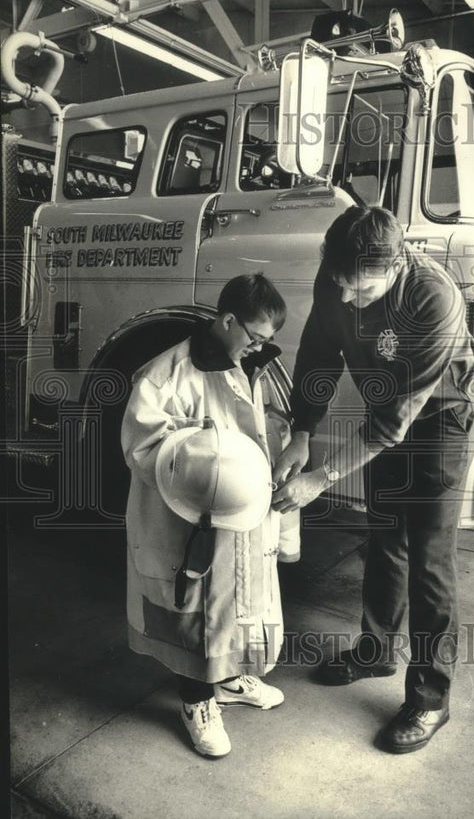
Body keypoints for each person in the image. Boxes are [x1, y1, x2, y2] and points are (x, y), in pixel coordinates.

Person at [272, 206, 474, 754]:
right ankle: (375, 651)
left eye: (360, 291)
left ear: (394, 267)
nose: (346, 298)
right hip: (383, 417)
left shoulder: (432, 298)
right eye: (341, 285)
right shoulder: (339, 275)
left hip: (441, 420)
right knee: (384, 536)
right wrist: (301, 429)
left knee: (429, 557)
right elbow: (319, 355)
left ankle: (430, 697)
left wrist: (322, 477)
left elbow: (393, 423)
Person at [122, 273, 291, 759]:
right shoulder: (166, 375)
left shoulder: (249, 364)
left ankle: (231, 679)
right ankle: (196, 703)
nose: (260, 346)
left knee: (236, 601)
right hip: (189, 516)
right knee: (191, 609)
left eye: (267, 340)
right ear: (228, 319)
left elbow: (269, 421)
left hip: (243, 514)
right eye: (254, 335)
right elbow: (141, 447)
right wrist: (205, 461)